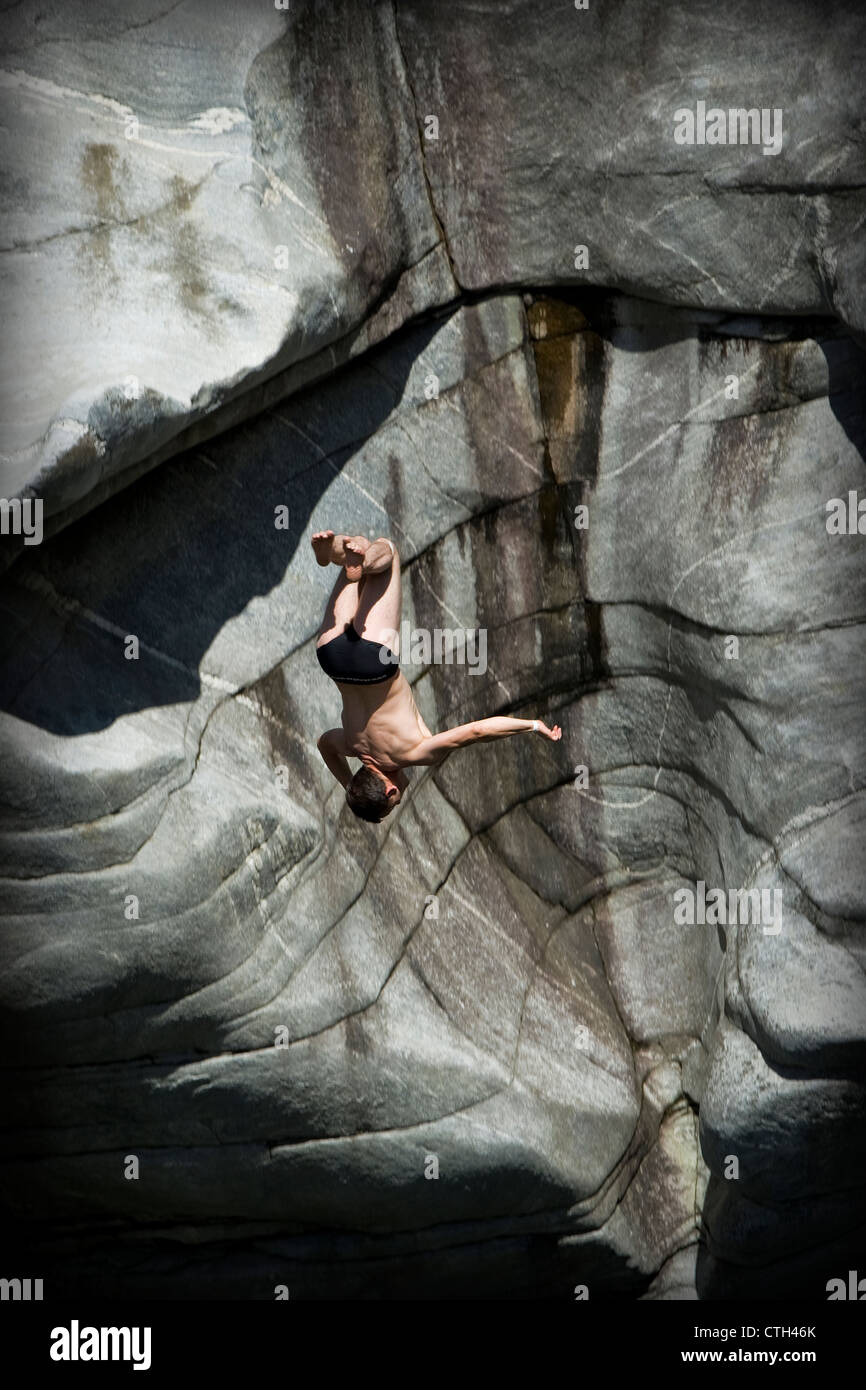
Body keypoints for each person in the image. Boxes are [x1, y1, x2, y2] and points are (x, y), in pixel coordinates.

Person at [312, 529, 562, 822]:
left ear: (391, 792)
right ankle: (335, 556)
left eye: (396, 801)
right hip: (333, 658)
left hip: (373, 663)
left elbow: (476, 732)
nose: (400, 796)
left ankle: (363, 560)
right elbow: (324, 746)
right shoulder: (350, 745)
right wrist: (348, 785)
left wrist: (533, 726)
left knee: (388, 553)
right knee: (357, 559)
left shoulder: (413, 753)